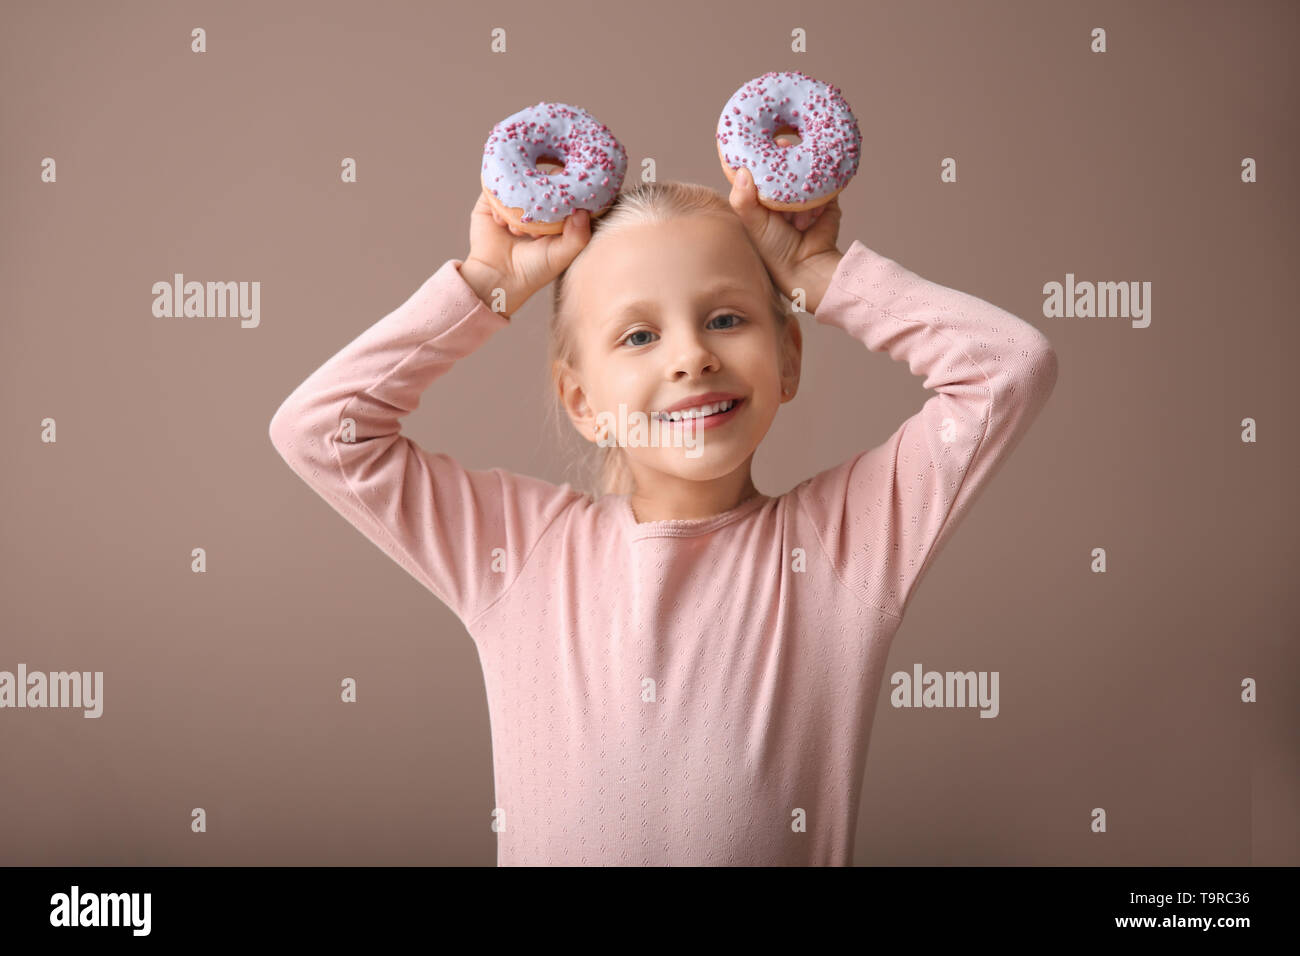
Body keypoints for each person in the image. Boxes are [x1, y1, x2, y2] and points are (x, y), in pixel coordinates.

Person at [268, 166, 1059, 865]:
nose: (691, 356)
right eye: (640, 335)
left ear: (789, 356)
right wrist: (487, 285)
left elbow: (1007, 368)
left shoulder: (843, 546)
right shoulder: (517, 551)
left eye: (725, 319)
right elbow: (320, 431)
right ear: (580, 399)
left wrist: (820, 274)